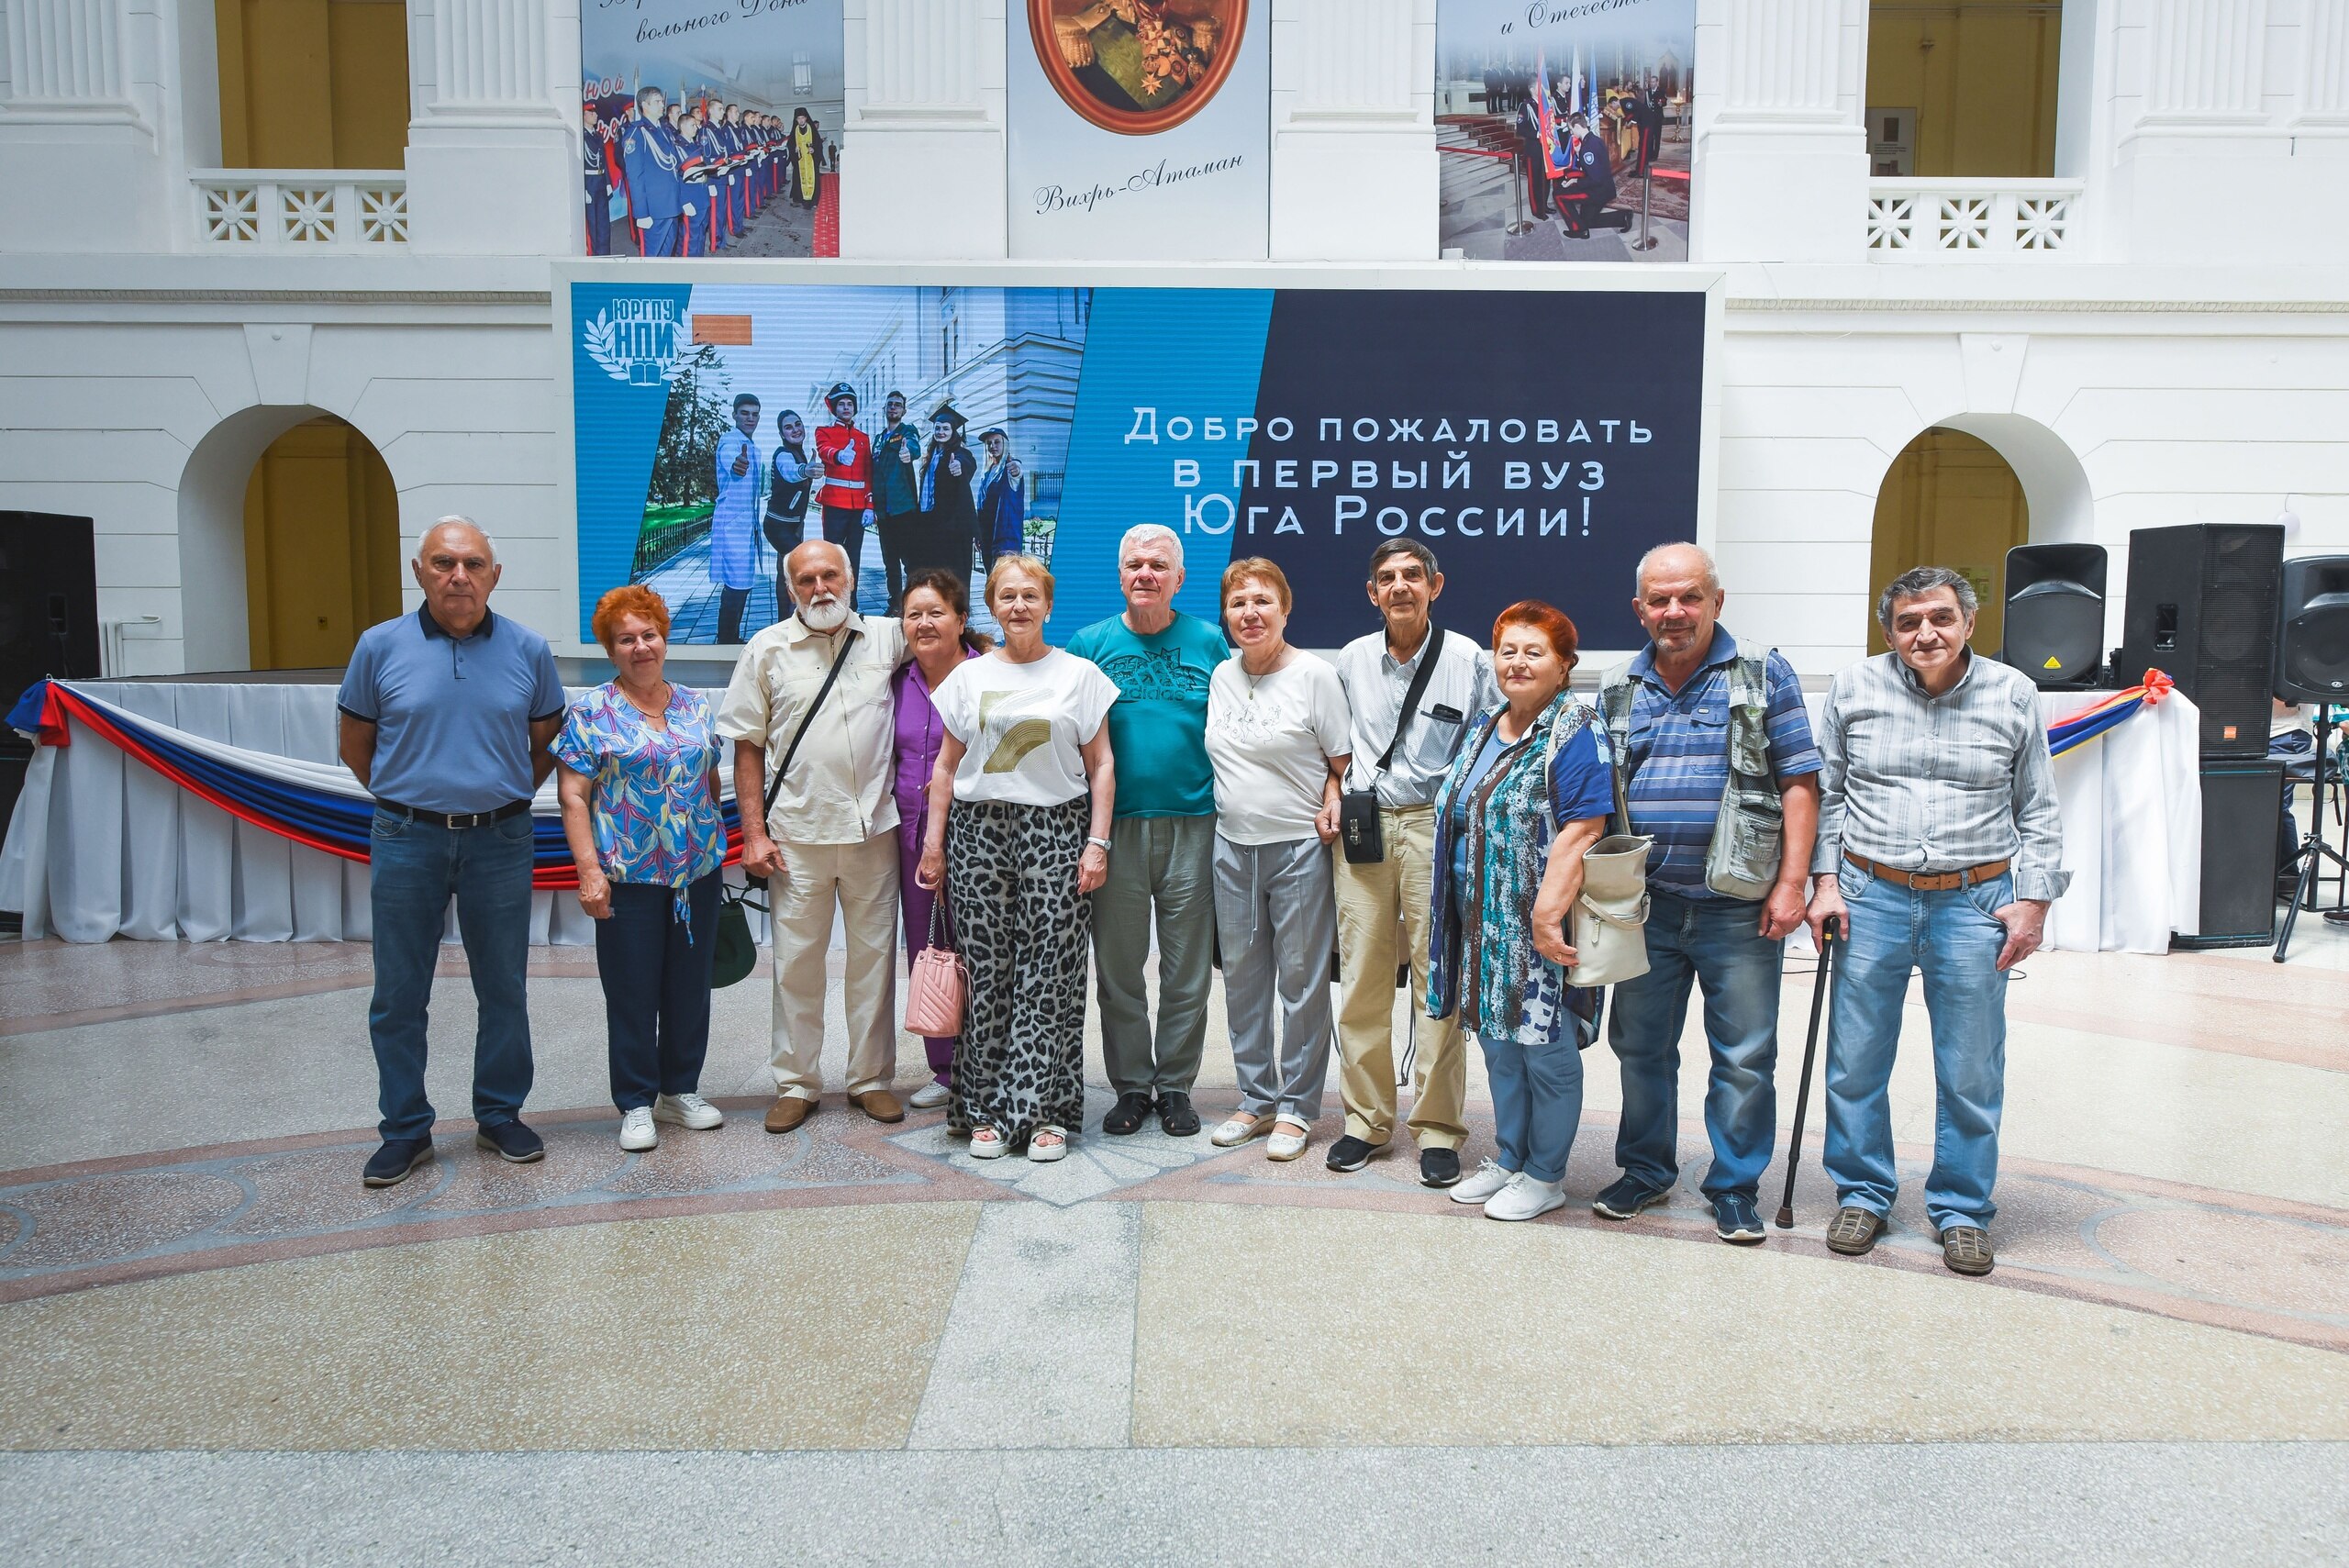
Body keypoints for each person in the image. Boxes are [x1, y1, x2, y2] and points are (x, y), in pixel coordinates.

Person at [1806, 565, 2069, 1278]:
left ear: (1968, 623)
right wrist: (1824, 884)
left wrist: (2034, 901)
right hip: (1870, 894)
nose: (1926, 633)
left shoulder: (2013, 692)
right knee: (1856, 1058)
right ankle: (1863, 1192)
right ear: (1889, 629)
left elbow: (2039, 807)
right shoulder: (1854, 687)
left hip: (1975, 900)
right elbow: (1829, 794)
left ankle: (1961, 1210)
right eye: (1909, 621)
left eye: (1941, 618)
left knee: (1971, 1067)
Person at [1591, 544, 1821, 1245]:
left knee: (1746, 1054)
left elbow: (1800, 780)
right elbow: (1598, 798)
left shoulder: (1761, 670)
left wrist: (1792, 884)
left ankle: (1733, 1185)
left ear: (1717, 602)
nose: (1674, 612)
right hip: (1647, 907)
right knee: (1642, 1049)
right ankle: (1646, 1170)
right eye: (1659, 600)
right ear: (1639, 610)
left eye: (1689, 597)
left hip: (1741, 908)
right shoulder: (1615, 685)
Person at [337, 517, 566, 1188]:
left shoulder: (529, 648)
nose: (458, 575)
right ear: (419, 571)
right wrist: (408, 796)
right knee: (398, 991)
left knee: (504, 985)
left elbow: (546, 738)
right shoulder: (378, 647)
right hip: (408, 837)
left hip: (501, 836)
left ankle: (499, 1114)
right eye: (443, 562)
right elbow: (355, 742)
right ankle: (405, 1129)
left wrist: (504, 792)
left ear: (495, 574)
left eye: (472, 563)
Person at [916, 555, 1119, 1162]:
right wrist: (935, 842)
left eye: (1030, 595)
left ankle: (1047, 1114)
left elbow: (1102, 763)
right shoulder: (968, 679)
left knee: (1050, 974)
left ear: (1048, 605)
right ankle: (985, 1111)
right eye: (1007, 596)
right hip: (979, 834)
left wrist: (1097, 842)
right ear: (993, 606)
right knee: (988, 974)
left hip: (1057, 831)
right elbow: (947, 766)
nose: (1019, 606)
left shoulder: (1079, 675)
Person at [1427, 602, 1617, 1221]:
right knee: (1500, 1048)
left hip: (1543, 927)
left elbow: (1586, 825)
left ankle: (1546, 1173)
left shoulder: (1577, 723)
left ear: (1564, 665)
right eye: (1507, 649)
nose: (1517, 661)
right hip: (1481, 926)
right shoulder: (1485, 724)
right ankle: (1510, 1157)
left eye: (1534, 651)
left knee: (1547, 1053)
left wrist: (1544, 913)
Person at [720, 539, 912, 1134]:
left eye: (830, 574)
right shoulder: (766, 650)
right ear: (791, 587)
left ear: (851, 578)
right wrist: (752, 832)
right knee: (796, 966)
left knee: (873, 965)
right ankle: (797, 1083)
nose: (820, 587)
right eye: (806, 579)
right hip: (795, 838)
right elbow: (746, 747)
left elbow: (950, 647)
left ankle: (871, 1079)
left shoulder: (887, 637)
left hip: (872, 834)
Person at [1327, 539, 1496, 1186]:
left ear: (1435, 585)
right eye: (1387, 578)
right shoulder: (1349, 660)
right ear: (1372, 593)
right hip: (1365, 829)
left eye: (1412, 577)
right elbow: (1334, 751)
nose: (1400, 587)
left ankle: (1438, 1129)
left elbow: (1486, 745)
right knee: (1363, 981)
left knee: (1437, 983)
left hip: (1436, 828)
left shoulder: (1469, 660)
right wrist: (1333, 799)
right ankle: (1365, 1122)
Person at [1063, 524, 1230, 1139]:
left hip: (1195, 826)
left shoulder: (1211, 643)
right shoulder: (1088, 644)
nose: (1146, 574)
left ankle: (1177, 1086)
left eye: (1158, 565)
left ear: (1179, 579)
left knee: (1186, 970)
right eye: (1134, 564)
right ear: (1120, 574)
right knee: (1119, 968)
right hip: (1115, 831)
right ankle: (1132, 1084)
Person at [554, 586, 729, 1152]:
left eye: (648, 634)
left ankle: (681, 1090)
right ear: (611, 650)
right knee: (632, 991)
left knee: (689, 986)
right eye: (625, 639)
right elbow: (574, 797)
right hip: (627, 876)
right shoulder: (590, 713)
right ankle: (635, 1101)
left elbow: (710, 778)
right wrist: (589, 872)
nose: (640, 646)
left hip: (694, 872)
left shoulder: (695, 704)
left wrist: (715, 843)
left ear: (664, 638)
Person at [1203, 559, 1350, 1162]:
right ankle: (1257, 1097)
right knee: (1241, 980)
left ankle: (1297, 1106)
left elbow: (1342, 761)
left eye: (1263, 601)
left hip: (1298, 848)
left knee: (1301, 980)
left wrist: (1334, 797)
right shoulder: (1221, 674)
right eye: (1239, 603)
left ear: (1285, 609)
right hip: (1231, 847)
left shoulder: (1315, 675)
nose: (1250, 613)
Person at [894, 568, 991, 1111]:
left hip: (984, 838)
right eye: (914, 614)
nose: (925, 623)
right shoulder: (897, 681)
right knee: (929, 947)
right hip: (915, 838)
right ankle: (944, 1067)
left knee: (985, 951)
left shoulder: (990, 674)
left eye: (936, 612)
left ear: (960, 619)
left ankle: (986, 1061)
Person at [813, 383, 876, 608]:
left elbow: (869, 472)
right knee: (833, 556)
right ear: (834, 408)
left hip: (858, 504)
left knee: (854, 556)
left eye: (850, 404)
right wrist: (839, 455)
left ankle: (851, 601)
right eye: (842, 404)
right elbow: (823, 450)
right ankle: (833, 599)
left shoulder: (863, 437)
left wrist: (870, 505)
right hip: (835, 502)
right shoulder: (824, 431)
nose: (847, 407)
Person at [712, 393, 764, 643]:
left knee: (740, 585)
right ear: (734, 415)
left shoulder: (751, 444)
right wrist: (738, 464)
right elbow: (732, 460)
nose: (750, 418)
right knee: (735, 586)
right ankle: (726, 639)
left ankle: (730, 636)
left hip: (744, 525)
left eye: (755, 414)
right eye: (745, 413)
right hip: (733, 524)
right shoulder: (731, 441)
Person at [870, 390, 926, 613]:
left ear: (904, 410)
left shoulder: (907, 431)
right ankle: (895, 604)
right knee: (889, 562)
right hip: (884, 513)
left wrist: (909, 453)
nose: (893, 407)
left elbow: (913, 446)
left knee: (910, 562)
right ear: (885, 409)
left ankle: (914, 604)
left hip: (904, 509)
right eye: (890, 404)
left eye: (897, 405)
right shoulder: (878, 440)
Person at [911, 403, 978, 583]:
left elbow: (967, 462)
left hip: (952, 526)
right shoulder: (932, 454)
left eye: (946, 428)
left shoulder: (959, 453)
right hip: (931, 523)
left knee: (954, 575)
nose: (941, 432)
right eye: (938, 428)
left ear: (953, 431)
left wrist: (959, 467)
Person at [619, 86, 686, 258]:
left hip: (671, 204)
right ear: (645, 105)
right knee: (652, 256)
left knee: (666, 253)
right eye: (657, 101)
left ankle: (663, 284)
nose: (662, 104)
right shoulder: (636, 132)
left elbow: (674, 166)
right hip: (654, 208)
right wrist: (641, 213)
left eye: (662, 101)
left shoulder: (664, 131)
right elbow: (635, 176)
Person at [763, 407, 815, 617]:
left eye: (798, 424)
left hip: (793, 525)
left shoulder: (800, 453)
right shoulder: (783, 454)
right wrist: (805, 471)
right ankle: (792, 618)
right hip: (777, 525)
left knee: (784, 573)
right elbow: (790, 472)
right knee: (800, 565)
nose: (795, 430)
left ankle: (785, 620)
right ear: (781, 433)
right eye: (788, 427)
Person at [1553, 110, 1618, 239]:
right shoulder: (1594, 140)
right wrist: (1579, 154)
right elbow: (1594, 169)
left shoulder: (1588, 148)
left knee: (1558, 195)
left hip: (1598, 191)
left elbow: (1595, 179)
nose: (1571, 133)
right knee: (1587, 220)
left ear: (1577, 126)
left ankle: (1578, 231)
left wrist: (1575, 181)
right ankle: (1623, 217)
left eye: (1571, 130)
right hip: (1606, 188)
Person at [974, 428, 1026, 566]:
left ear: (1005, 445)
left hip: (1006, 542)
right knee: (991, 582)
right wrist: (978, 534)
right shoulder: (986, 474)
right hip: (987, 540)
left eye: (997, 442)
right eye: (989, 443)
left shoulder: (1009, 468)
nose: (993, 446)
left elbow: (1017, 472)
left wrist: (1017, 469)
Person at [584, 103, 612, 256]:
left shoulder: (597, 135)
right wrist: (583, 188)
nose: (595, 115)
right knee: (592, 223)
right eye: (591, 112)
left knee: (603, 222)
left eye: (595, 112)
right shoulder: (581, 136)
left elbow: (603, 160)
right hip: (589, 182)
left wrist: (608, 182)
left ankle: (604, 254)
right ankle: (594, 255)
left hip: (601, 180)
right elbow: (580, 163)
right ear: (583, 116)